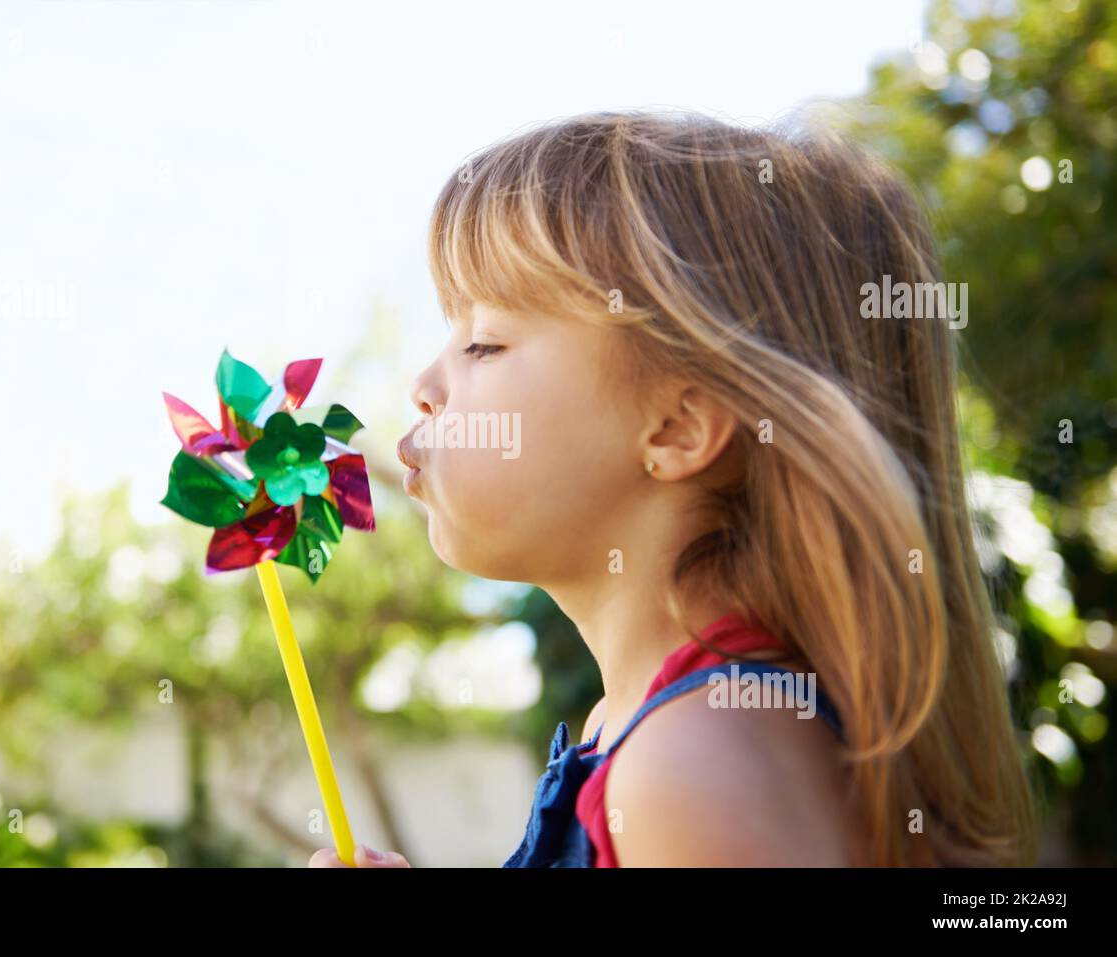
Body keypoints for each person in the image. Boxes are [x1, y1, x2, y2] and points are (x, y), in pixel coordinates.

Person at [310, 110, 1039, 868]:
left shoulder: (693, 761)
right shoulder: (635, 729)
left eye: (485, 343)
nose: (425, 386)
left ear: (678, 427)